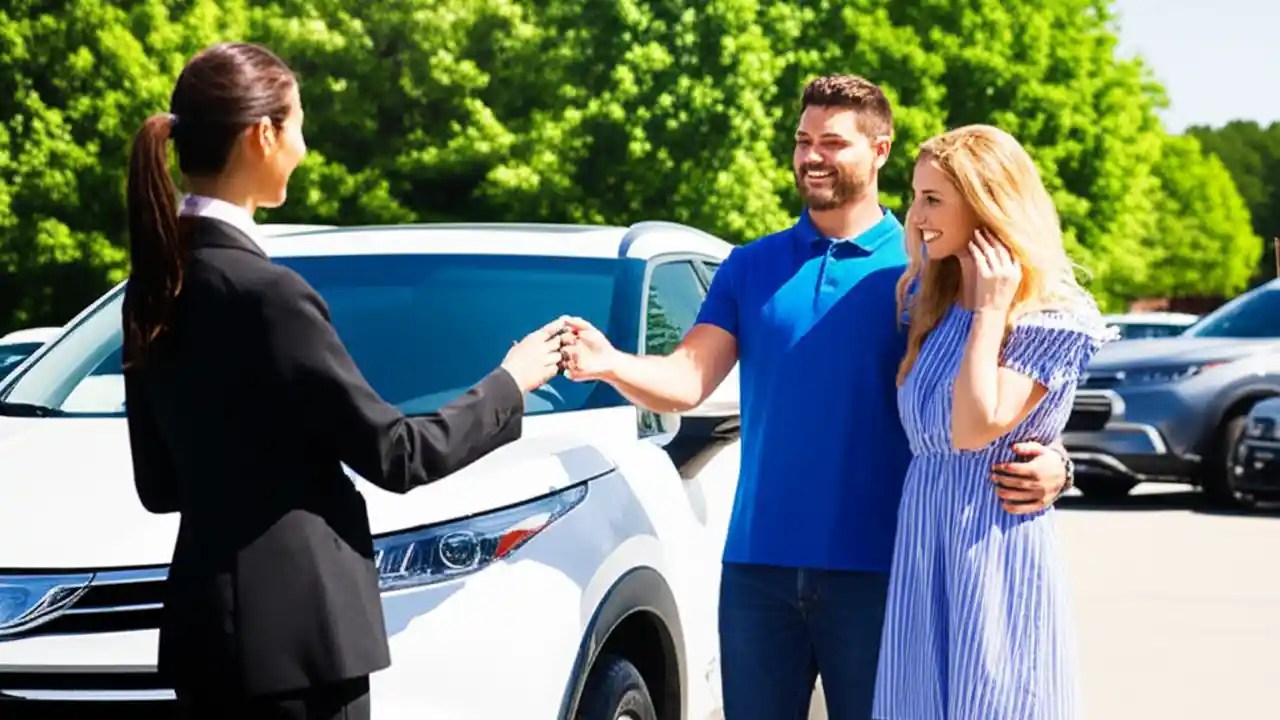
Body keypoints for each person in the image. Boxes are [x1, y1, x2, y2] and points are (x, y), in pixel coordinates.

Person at [557, 75, 1074, 719]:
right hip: (757, 569)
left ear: (881, 150)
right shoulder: (750, 266)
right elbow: (688, 379)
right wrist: (609, 363)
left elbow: (999, 377)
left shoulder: (926, 269)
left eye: (832, 141)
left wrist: (1056, 460)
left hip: (886, 567)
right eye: (803, 140)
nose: (811, 156)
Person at [121, 42, 565, 719]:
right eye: (297, 125)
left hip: (207, 637)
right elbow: (398, 453)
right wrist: (511, 381)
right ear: (263, 134)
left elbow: (159, 486)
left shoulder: (155, 289)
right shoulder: (268, 294)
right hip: (299, 643)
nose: (303, 145)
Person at [870, 125, 1114, 720]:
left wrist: (991, 311)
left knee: (997, 701)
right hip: (925, 540)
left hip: (992, 546)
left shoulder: (1049, 312)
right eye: (915, 195)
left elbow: (976, 427)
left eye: (933, 199)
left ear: (984, 201)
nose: (915, 214)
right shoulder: (932, 295)